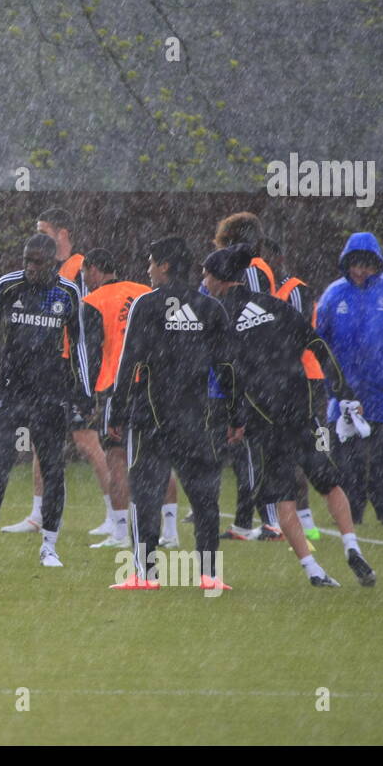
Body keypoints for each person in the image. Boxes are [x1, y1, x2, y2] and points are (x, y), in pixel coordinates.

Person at [201, 245, 376, 587]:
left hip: (263, 417)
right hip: (301, 408)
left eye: (207, 274)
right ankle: (352, 545)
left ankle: (312, 569)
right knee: (328, 480)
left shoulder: (217, 316)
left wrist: (234, 419)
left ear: (221, 279)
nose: (204, 281)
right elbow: (318, 346)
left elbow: (226, 376)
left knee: (282, 497)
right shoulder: (275, 305)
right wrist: (345, 392)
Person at [107, 236, 240, 591]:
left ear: (164, 265)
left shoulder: (147, 305)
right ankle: (209, 575)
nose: (148, 269)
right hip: (198, 418)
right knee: (204, 497)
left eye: (151, 262)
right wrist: (236, 415)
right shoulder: (210, 308)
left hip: (152, 416)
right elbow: (227, 368)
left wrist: (116, 411)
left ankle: (145, 574)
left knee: (145, 494)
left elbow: (128, 361)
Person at [0, 233, 95, 568]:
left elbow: (78, 342)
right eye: (26, 260)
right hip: (11, 391)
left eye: (37, 262)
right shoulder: (8, 286)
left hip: (50, 394)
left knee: (53, 469)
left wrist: (84, 390)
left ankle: (49, 547)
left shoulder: (67, 291)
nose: (30, 267)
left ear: (52, 263)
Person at [2, 208, 104, 533]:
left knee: (87, 441)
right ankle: (37, 513)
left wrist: (83, 377)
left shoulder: (77, 270)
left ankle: (116, 518)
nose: (38, 238)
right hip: (45, 369)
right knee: (41, 441)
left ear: (62, 235)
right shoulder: (47, 272)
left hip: (68, 369)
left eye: (44, 231)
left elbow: (86, 325)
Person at [315, 233, 383, 526]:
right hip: (345, 393)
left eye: (366, 265)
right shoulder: (333, 294)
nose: (360, 271)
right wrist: (330, 379)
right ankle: (353, 514)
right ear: (346, 263)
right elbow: (318, 340)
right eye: (355, 265)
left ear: (377, 264)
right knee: (346, 458)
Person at [75, 249, 154, 548]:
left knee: (117, 458)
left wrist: (88, 392)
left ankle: (121, 533)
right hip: (150, 384)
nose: (85, 280)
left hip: (115, 386)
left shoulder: (92, 302)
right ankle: (169, 531)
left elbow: (92, 352)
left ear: (94, 269)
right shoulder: (143, 292)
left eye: (85, 273)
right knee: (154, 456)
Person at [210, 212, 280, 541]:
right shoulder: (259, 269)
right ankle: (252, 520)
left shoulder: (249, 272)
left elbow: (251, 319)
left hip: (250, 371)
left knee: (249, 449)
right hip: (252, 368)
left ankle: (266, 520)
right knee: (246, 449)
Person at [266, 238, 329, 542]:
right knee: (281, 450)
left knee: (306, 446)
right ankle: (292, 517)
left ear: (277, 261)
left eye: (264, 261)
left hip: (304, 378)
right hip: (279, 381)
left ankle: (308, 518)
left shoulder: (296, 290)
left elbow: (300, 332)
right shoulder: (265, 294)